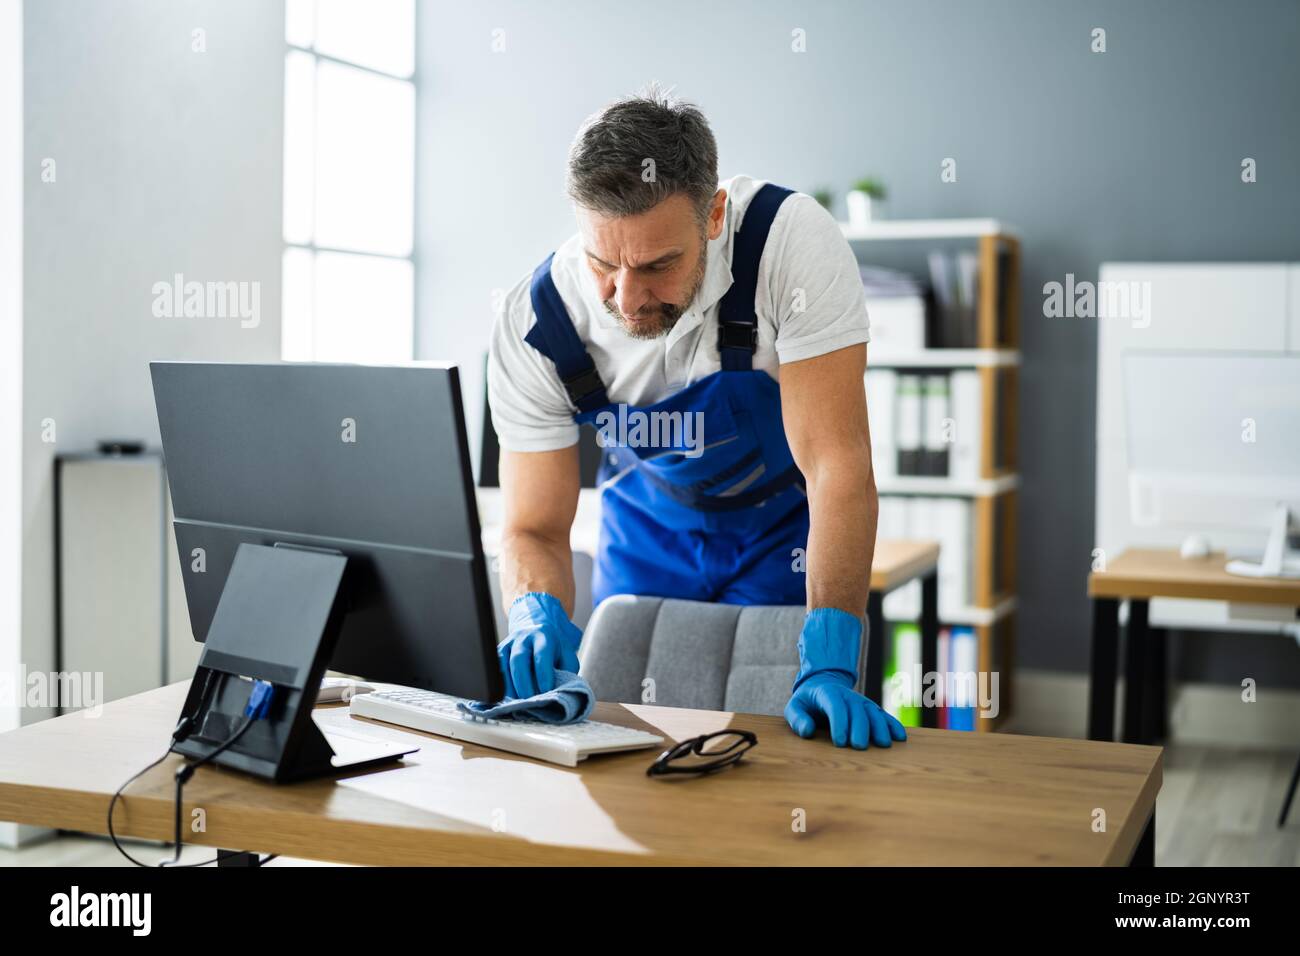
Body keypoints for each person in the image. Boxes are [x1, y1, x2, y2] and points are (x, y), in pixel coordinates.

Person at [487, 84, 906, 750]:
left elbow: (837, 467)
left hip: (779, 548)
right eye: (603, 262)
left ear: (713, 216)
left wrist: (831, 648)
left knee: (782, 773)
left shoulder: (785, 246)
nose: (626, 297)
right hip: (645, 547)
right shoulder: (538, 322)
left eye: (658, 265)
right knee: (634, 767)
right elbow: (533, 527)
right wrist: (533, 607)